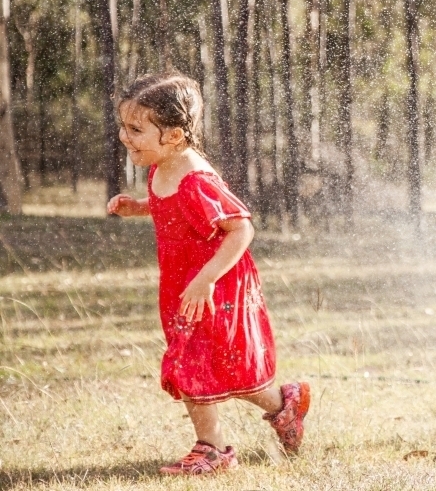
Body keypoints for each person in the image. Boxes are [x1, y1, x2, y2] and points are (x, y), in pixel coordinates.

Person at [107, 73, 309, 474]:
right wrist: (141, 206)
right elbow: (173, 205)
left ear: (175, 134)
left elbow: (241, 227)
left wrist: (207, 279)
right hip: (187, 283)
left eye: (136, 129)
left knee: (193, 362)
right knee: (216, 366)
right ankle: (284, 405)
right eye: (123, 127)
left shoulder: (196, 177)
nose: (125, 137)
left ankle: (212, 450)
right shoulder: (164, 164)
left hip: (214, 285)